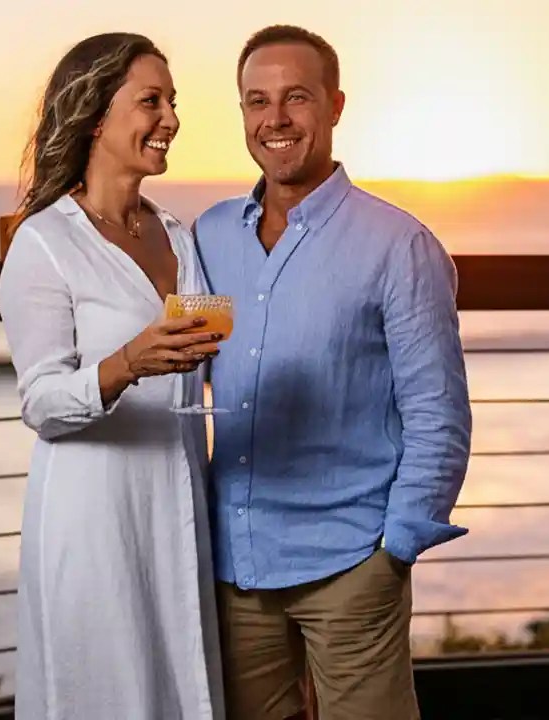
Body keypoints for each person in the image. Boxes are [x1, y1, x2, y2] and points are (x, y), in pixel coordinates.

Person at [193, 25, 473, 719]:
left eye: (297, 97)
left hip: (351, 564)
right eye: (257, 101)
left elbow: (437, 414)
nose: (276, 119)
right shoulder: (209, 236)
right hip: (234, 567)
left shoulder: (399, 245)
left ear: (336, 105)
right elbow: (188, 367)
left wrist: (396, 548)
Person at [0, 33, 225, 719]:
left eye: (173, 102)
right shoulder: (44, 242)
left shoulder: (178, 235)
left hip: (179, 502)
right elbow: (41, 403)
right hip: (95, 515)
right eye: (151, 101)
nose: (171, 119)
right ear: (97, 115)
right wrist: (126, 365)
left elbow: (205, 355)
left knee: (183, 686)